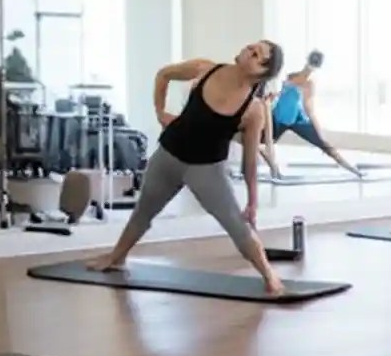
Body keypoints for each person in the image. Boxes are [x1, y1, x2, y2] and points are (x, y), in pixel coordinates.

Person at [87, 41, 287, 296]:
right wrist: (159, 111)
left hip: (206, 170)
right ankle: (117, 257)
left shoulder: (254, 109)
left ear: (262, 73)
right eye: (252, 48)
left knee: (237, 226)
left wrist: (253, 201)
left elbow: (250, 160)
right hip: (169, 157)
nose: (250, 52)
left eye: (258, 56)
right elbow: (164, 74)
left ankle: (269, 276)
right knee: (142, 213)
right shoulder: (206, 69)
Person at [255, 50, 363, 178]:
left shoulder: (309, 85)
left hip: (297, 119)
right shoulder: (289, 76)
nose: (311, 66)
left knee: (325, 145)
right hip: (278, 118)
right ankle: (275, 170)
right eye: (312, 62)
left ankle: (353, 170)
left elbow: (309, 110)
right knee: (258, 143)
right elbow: (275, 95)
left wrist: (319, 134)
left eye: (314, 64)